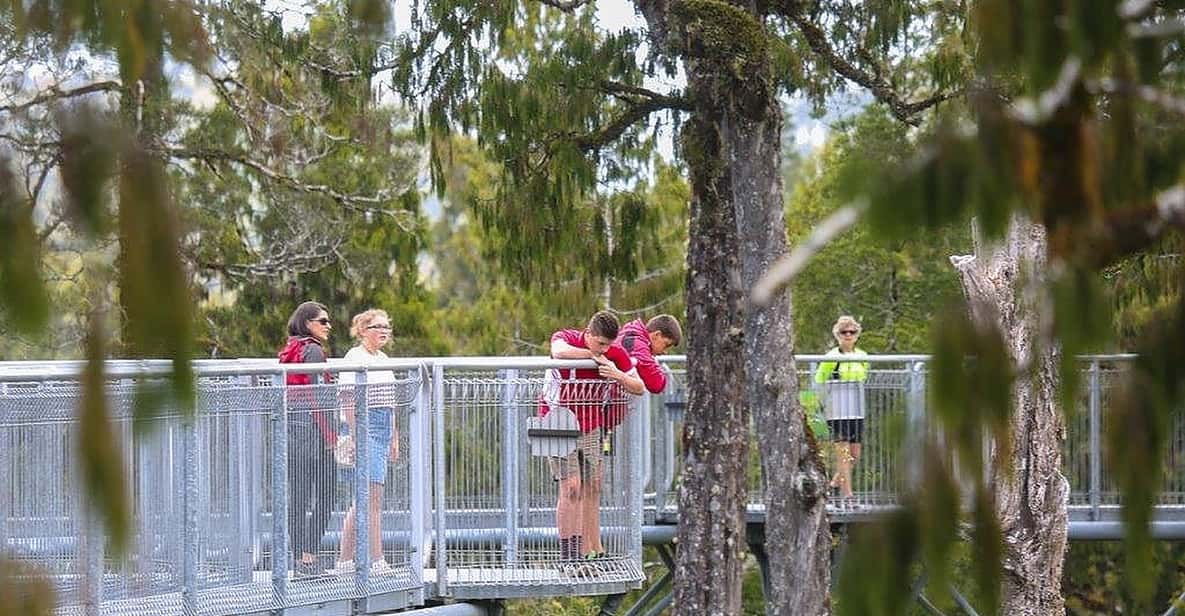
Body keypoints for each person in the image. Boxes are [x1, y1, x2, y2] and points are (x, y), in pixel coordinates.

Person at [540, 310, 638, 563]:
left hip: (591, 426)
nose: (605, 350)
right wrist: (592, 357)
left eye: (608, 345)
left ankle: (589, 552)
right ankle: (569, 556)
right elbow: (559, 352)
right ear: (589, 333)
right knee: (571, 486)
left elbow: (638, 386)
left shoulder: (614, 353)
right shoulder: (566, 337)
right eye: (600, 343)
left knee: (593, 484)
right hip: (555, 421)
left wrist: (617, 374)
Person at [332, 309, 401, 576]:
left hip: (383, 427)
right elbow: (347, 398)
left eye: (386, 327)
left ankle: (344, 562)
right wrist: (356, 434)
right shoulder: (354, 357)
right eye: (377, 326)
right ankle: (377, 560)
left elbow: (390, 402)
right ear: (362, 330)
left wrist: (394, 436)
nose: (383, 331)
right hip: (364, 425)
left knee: (364, 500)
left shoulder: (383, 359)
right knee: (371, 499)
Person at [278, 301, 338, 577]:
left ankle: (299, 560)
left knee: (299, 498)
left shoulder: (291, 349)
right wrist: (331, 437)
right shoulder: (313, 350)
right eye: (323, 321)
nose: (328, 326)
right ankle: (308, 556)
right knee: (327, 494)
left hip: (293, 431)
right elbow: (317, 397)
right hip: (313, 434)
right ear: (307, 323)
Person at [814, 315, 870, 499]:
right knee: (843, 454)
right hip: (837, 410)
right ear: (837, 335)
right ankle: (848, 495)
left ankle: (832, 485)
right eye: (843, 332)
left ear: (857, 335)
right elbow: (819, 380)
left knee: (855, 455)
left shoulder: (862, 356)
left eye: (852, 332)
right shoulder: (832, 357)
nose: (848, 335)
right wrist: (820, 406)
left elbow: (864, 376)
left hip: (856, 409)